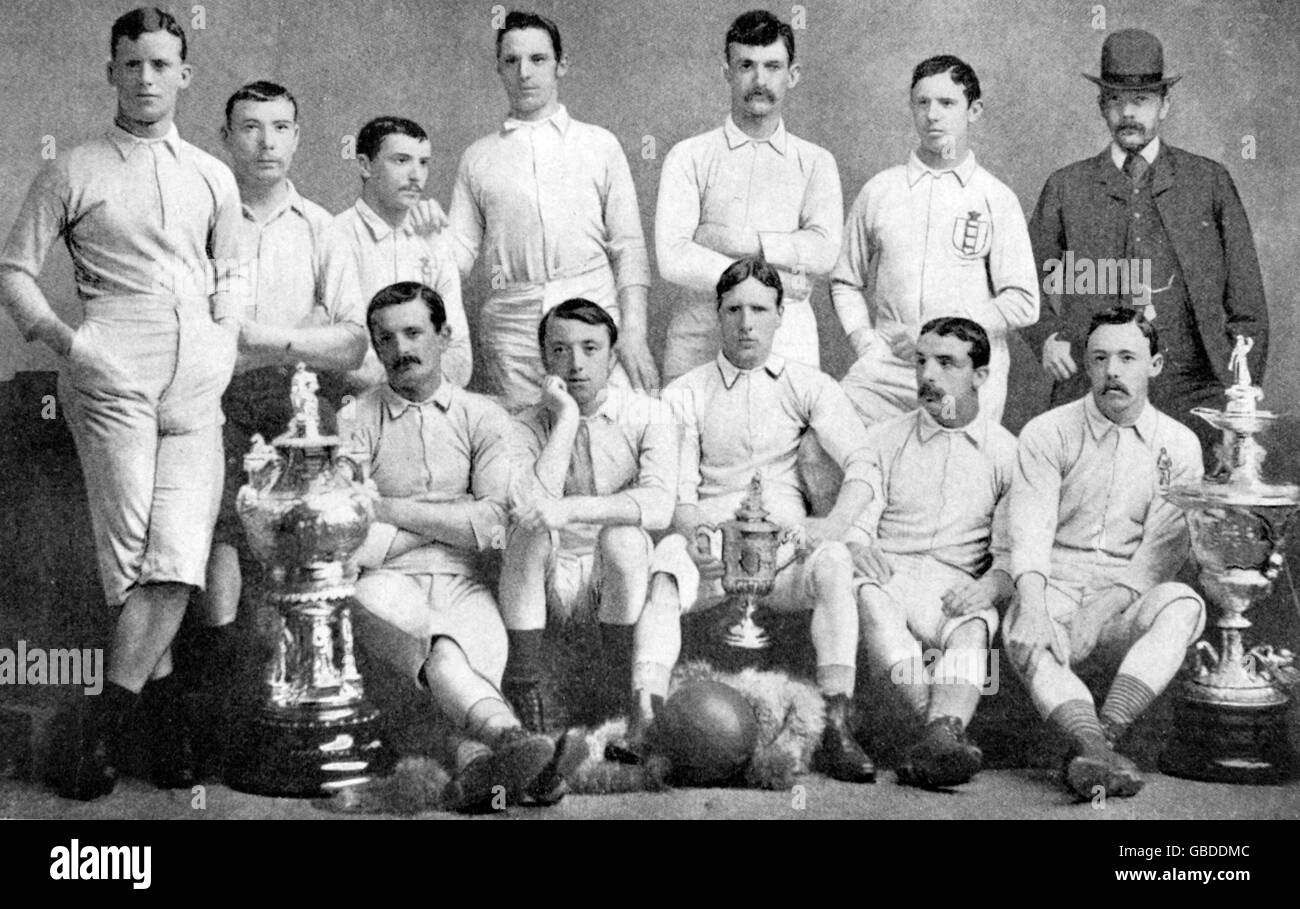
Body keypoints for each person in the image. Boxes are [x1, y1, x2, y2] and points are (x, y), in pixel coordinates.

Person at [0, 7, 248, 799]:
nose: (146, 79)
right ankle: (153, 729)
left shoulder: (212, 173)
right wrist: (73, 345)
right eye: (131, 64)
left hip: (197, 380)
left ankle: (95, 731)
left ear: (185, 75)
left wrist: (224, 345)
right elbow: (13, 271)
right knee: (137, 560)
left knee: (177, 560)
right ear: (112, 71)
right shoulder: (73, 168)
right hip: (112, 371)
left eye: (161, 64)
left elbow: (232, 276)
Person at [344, 281, 584, 811]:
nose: (401, 349)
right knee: (441, 650)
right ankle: (515, 745)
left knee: (456, 657)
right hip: (386, 585)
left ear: (444, 336)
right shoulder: (354, 419)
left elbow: (494, 522)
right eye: (385, 339)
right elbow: (353, 532)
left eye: (413, 332)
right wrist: (451, 519)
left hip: (467, 583)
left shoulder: (483, 416)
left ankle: (486, 765)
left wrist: (388, 508)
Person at [653, 256, 877, 783]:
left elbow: (865, 462)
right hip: (710, 551)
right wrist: (694, 542)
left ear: (781, 315)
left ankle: (836, 726)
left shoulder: (810, 385)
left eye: (759, 309)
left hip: (785, 554)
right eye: (734, 310)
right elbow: (678, 494)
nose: (746, 323)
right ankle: (649, 717)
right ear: (717, 314)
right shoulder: (684, 391)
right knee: (663, 565)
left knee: (836, 565)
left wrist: (835, 525)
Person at [199, 81, 368, 764]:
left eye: (280, 127)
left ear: (298, 137)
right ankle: (225, 698)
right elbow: (199, 332)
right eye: (250, 127)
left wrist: (265, 338)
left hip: (300, 402)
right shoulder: (203, 217)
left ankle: (319, 689)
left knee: (315, 532)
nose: (266, 142)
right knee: (217, 531)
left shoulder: (324, 227)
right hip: (214, 396)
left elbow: (353, 343)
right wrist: (304, 329)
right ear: (225, 137)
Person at [1023, 29, 1268, 464]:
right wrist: (1047, 337)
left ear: (1165, 106)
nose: (1128, 113)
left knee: (1195, 514)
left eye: (1141, 100)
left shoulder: (1208, 181)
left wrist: (1239, 399)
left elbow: (1246, 300)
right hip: (1093, 385)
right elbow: (1023, 285)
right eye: (1116, 101)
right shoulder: (1066, 187)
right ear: (1102, 107)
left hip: (1193, 391)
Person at [1005, 306, 1205, 800]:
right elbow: (1029, 529)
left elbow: (1158, 556)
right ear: (1087, 365)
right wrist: (1032, 607)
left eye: (1127, 357)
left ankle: (1106, 737)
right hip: (1054, 586)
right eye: (1100, 358)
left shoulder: (1180, 445)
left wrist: (1098, 610)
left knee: (1184, 603)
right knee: (1027, 631)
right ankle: (1093, 745)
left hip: (1122, 602)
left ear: (1154, 366)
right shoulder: (1047, 431)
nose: (1112, 370)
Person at [441, 10, 655, 409]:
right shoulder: (478, 157)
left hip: (593, 310)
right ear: (499, 70)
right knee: (525, 441)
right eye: (512, 61)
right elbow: (458, 253)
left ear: (561, 65)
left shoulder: (600, 145)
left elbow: (629, 246)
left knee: (609, 436)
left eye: (538, 59)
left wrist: (634, 333)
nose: (524, 72)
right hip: (512, 327)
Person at [500, 299, 680, 753]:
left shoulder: (649, 415)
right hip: (546, 577)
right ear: (544, 360)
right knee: (530, 529)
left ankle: (618, 689)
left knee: (623, 535)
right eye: (560, 350)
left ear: (613, 356)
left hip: (610, 579)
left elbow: (659, 506)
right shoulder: (521, 424)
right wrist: (565, 421)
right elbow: (524, 507)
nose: (576, 364)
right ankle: (525, 692)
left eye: (590, 348)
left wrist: (574, 509)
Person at [851, 317, 1016, 788]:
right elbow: (859, 523)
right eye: (921, 361)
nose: (928, 375)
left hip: (953, 583)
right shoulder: (884, 439)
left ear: (980, 375)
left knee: (974, 626)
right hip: (890, 573)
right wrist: (859, 545)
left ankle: (939, 736)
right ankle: (939, 736)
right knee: (872, 602)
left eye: (947, 363)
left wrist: (986, 587)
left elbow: (1008, 557)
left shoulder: (1006, 452)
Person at [833, 55, 1037, 429]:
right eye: (922, 103)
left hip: (964, 369)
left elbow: (1024, 302)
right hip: (888, 368)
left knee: (946, 476)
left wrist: (943, 338)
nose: (933, 115)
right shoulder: (880, 190)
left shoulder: (995, 197)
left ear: (973, 110)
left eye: (947, 103)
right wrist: (865, 341)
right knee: (827, 440)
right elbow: (845, 281)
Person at [655, 9, 841, 382]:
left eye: (773, 66)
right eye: (746, 65)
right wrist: (775, 280)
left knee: (789, 434)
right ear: (727, 71)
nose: (760, 80)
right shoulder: (689, 155)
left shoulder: (816, 162)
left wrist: (729, 240)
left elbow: (822, 252)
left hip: (787, 333)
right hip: (701, 332)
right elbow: (672, 258)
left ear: (793, 74)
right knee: (687, 436)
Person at [320, 116, 471, 391]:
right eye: (401, 160)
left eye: (423, 162)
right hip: (358, 404)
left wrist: (423, 391)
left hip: (431, 402)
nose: (416, 176)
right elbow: (342, 353)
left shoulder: (434, 239)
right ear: (365, 165)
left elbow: (458, 349)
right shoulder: (334, 236)